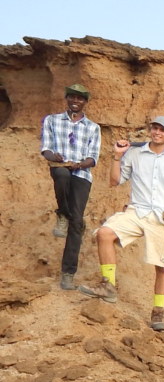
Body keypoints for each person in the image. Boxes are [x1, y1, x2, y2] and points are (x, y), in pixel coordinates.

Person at [78, 115, 164, 332]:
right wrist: (116, 156)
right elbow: (115, 181)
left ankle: (158, 312)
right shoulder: (134, 153)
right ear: (150, 130)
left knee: (163, 267)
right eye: (155, 128)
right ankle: (108, 286)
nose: (157, 133)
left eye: (162, 130)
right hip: (136, 211)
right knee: (104, 233)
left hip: (162, 217)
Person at [40, 84, 102, 291]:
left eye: (80, 98)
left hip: (82, 173)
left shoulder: (93, 127)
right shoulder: (52, 120)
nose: (75, 101)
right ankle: (62, 213)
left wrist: (81, 163)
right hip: (60, 167)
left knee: (77, 223)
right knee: (61, 173)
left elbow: (93, 157)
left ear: (85, 102)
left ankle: (68, 273)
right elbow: (46, 148)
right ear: (66, 98)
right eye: (72, 97)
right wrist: (53, 156)